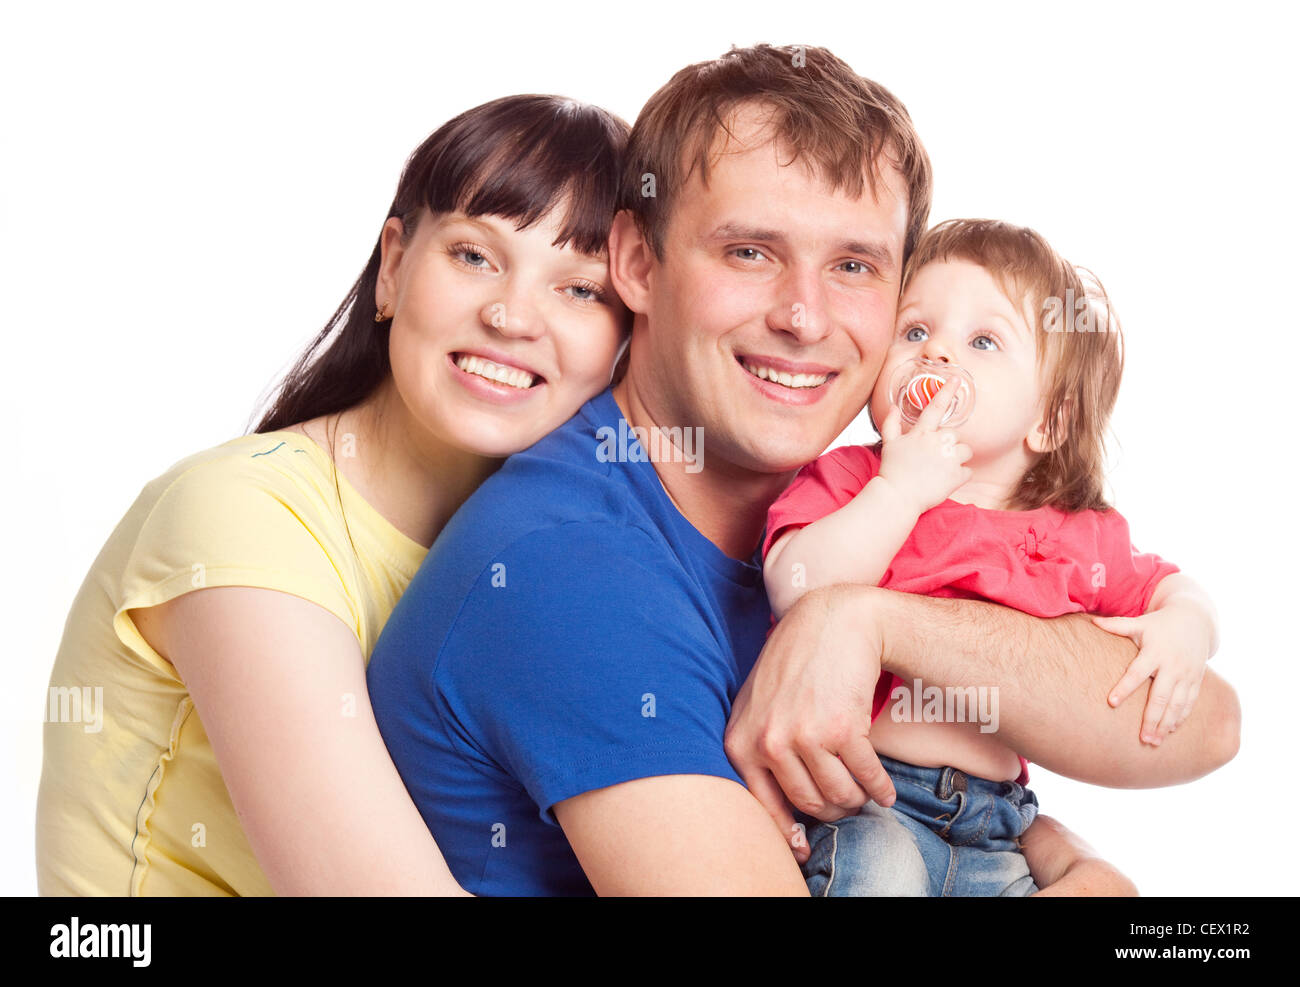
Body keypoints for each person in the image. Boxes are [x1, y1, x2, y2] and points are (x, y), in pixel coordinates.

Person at [366, 44, 1218, 895]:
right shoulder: (569, 567)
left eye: (853, 266)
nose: (805, 317)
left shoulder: (865, 509)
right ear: (637, 263)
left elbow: (1204, 722)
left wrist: (866, 622)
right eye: (749, 252)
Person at [35, 94, 632, 896]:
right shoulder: (243, 513)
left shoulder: (547, 557)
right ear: (393, 266)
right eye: (474, 256)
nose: (511, 314)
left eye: (581, 290)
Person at [761, 218, 1219, 895]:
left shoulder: (1075, 534)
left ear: (1050, 421)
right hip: (868, 800)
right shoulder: (857, 481)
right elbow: (795, 589)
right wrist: (899, 489)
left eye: (982, 341)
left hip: (997, 825)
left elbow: (1174, 589)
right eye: (915, 332)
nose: (937, 354)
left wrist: (1185, 627)